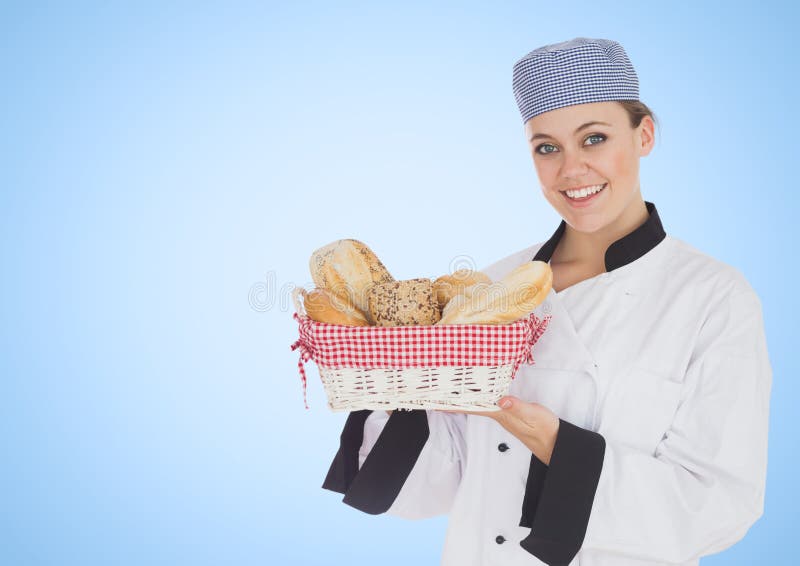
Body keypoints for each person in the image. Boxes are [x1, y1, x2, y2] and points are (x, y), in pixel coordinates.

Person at [321, 37, 772, 566]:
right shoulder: (487, 288)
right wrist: (392, 385)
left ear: (644, 134)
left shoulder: (712, 299)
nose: (571, 170)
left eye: (595, 138)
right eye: (547, 147)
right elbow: (443, 481)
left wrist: (560, 449)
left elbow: (720, 507)